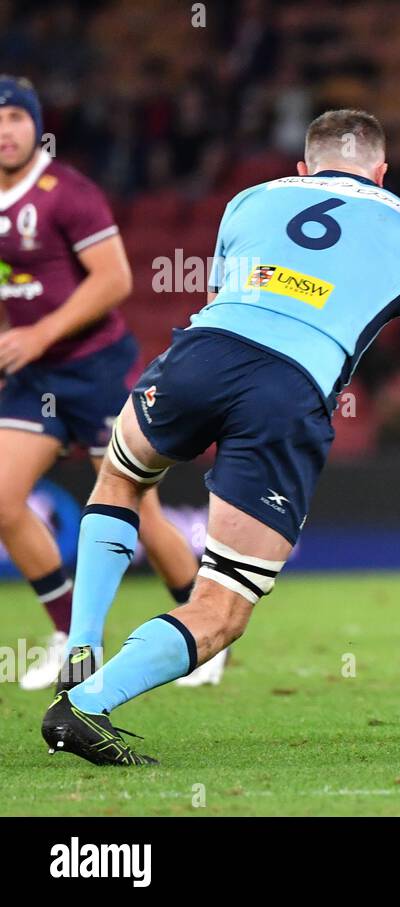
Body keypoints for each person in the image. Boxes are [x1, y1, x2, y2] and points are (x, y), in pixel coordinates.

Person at [40, 108, 400, 765]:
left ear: (304, 167)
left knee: (121, 476)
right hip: (287, 391)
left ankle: (80, 645)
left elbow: (232, 297)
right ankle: (87, 704)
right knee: (222, 608)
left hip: (200, 353)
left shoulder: (247, 200)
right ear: (381, 174)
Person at [0, 75, 200, 691]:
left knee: (138, 510)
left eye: (14, 119)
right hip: (32, 378)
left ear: (36, 125)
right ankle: (68, 637)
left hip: (96, 370)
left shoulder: (69, 192)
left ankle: (201, 628)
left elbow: (114, 280)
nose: (4, 132)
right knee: (3, 501)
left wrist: (38, 333)